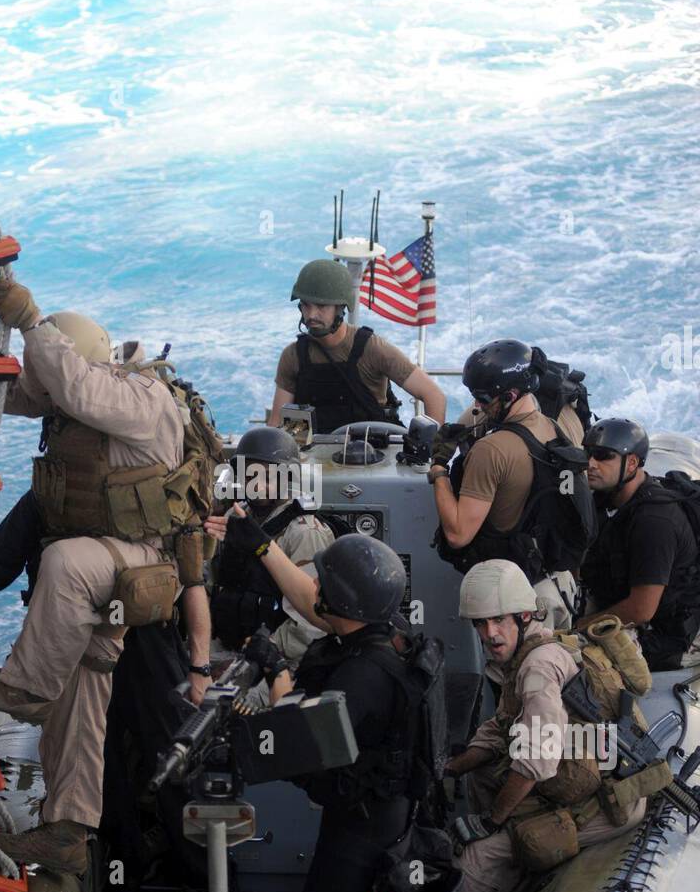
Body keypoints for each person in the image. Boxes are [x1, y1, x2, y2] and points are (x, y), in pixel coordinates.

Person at [0, 277, 202, 876]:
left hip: (141, 564)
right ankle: (68, 830)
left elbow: (76, 386)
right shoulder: (82, 389)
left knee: (65, 563)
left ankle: (25, 691)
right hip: (105, 574)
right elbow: (11, 394)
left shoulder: (142, 397)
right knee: (81, 702)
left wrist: (30, 321)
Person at [205, 505, 421, 892]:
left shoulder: (359, 678)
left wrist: (274, 670)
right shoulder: (383, 633)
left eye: (324, 579)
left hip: (359, 831)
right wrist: (257, 544)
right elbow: (311, 600)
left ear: (343, 603)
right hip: (393, 814)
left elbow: (295, 749)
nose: (314, 585)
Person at [427, 559, 650, 892]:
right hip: (593, 781)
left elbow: (537, 761)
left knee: (481, 857)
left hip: (605, 803)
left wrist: (492, 824)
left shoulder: (538, 666)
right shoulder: (540, 648)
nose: (490, 634)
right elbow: (502, 728)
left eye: (498, 620)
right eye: (480, 624)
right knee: (481, 778)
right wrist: (454, 767)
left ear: (523, 616)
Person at [429, 338, 591, 629]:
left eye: (482, 398)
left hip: (512, 604)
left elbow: (458, 534)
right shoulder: (550, 427)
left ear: (510, 395)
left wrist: (439, 469)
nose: (477, 406)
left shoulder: (491, 451)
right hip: (555, 588)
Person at [210, 425, 334, 682]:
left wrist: (262, 652)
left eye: (269, 477)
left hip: (282, 660)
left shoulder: (303, 532)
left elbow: (313, 621)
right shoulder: (236, 516)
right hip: (229, 646)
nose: (258, 485)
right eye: (250, 476)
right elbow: (214, 579)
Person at [267, 259, 445, 432]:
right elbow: (277, 424)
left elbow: (434, 396)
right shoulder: (293, 356)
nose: (311, 315)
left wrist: (432, 453)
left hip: (373, 456)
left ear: (340, 308)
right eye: (306, 305)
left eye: (322, 306)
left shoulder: (372, 349)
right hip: (313, 457)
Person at [579, 419, 700, 669]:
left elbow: (641, 610)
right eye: (589, 454)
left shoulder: (654, 522)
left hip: (666, 633)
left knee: (583, 664)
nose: (591, 464)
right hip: (628, 600)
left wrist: (580, 628)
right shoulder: (609, 497)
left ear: (632, 463)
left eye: (603, 457)